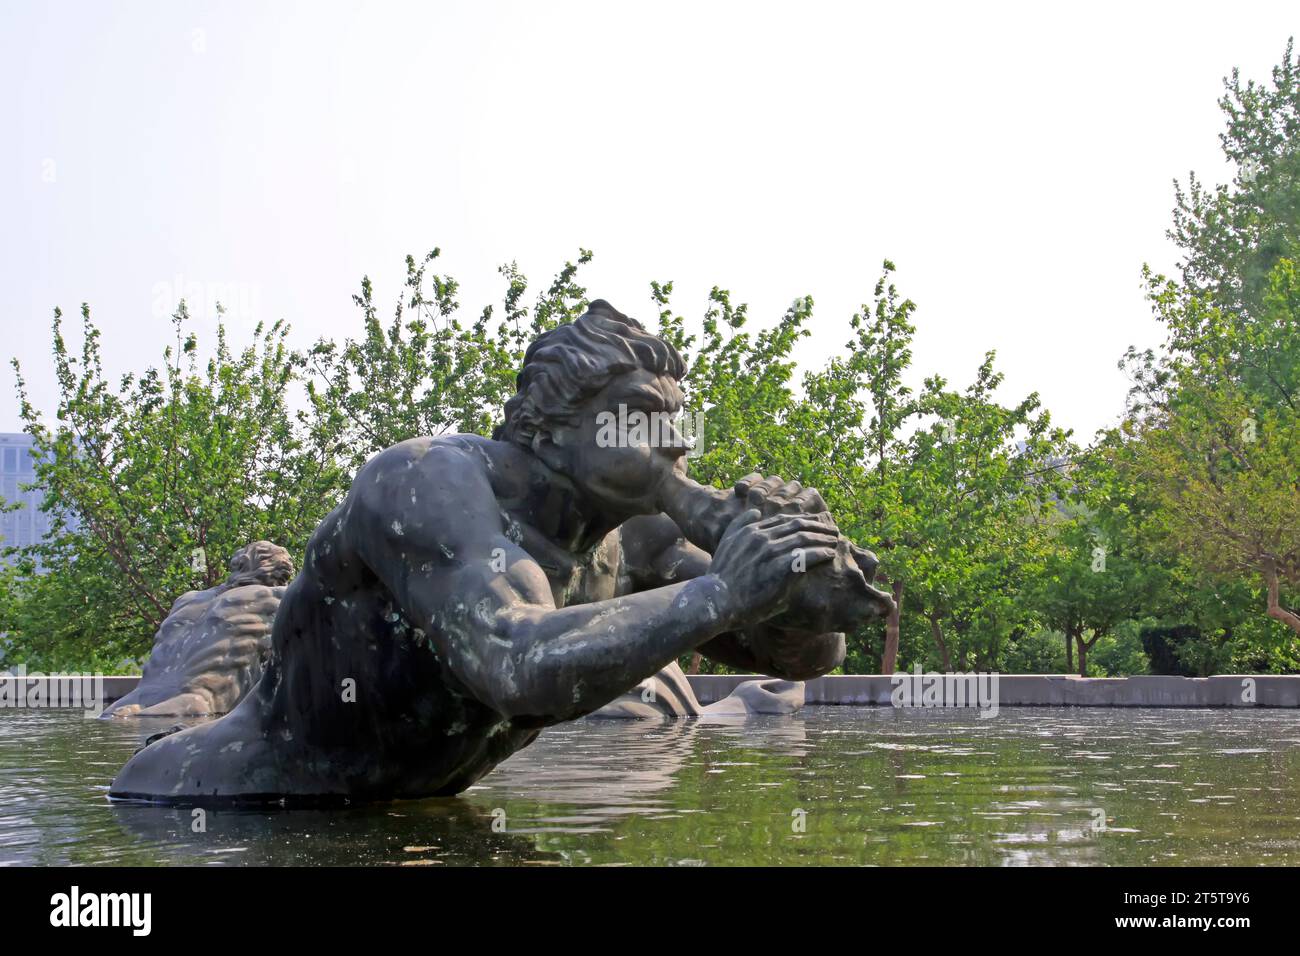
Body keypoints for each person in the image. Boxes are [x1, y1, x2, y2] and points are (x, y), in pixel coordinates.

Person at [109, 301, 881, 804]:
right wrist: (723, 592)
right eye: (640, 416)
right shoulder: (424, 481)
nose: (674, 442)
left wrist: (803, 572)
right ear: (552, 426)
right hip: (233, 805)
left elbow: (802, 658)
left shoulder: (631, 540)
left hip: (410, 818)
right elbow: (515, 663)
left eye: (679, 422)